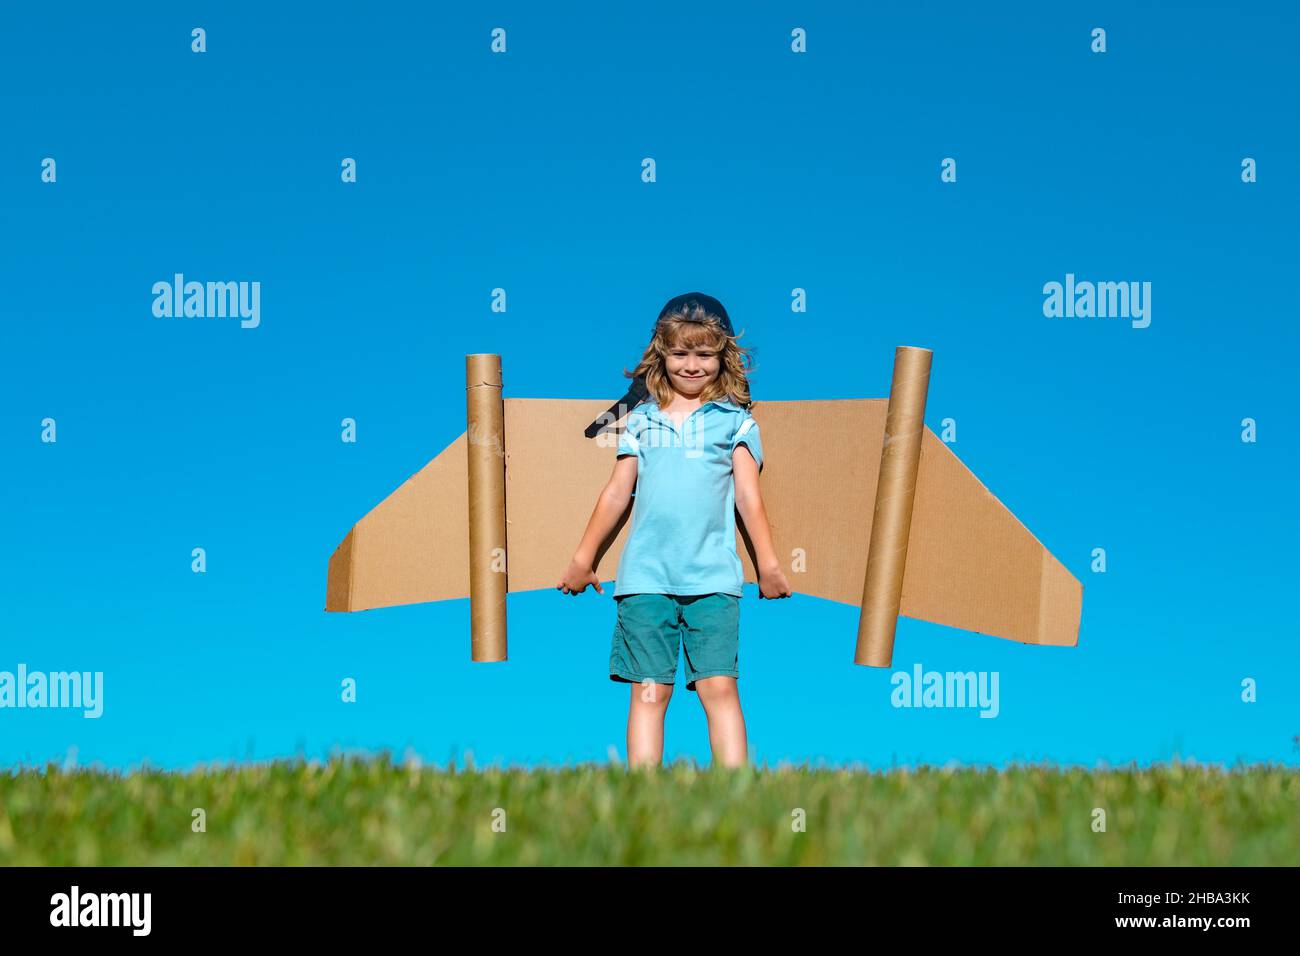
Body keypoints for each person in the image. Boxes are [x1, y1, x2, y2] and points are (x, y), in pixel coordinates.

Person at [556, 292, 792, 770]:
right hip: (645, 581)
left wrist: (768, 566)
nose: (691, 364)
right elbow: (617, 493)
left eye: (704, 354)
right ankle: (644, 793)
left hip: (714, 582)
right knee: (649, 692)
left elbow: (748, 497)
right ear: (660, 355)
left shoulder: (736, 423)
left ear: (723, 359)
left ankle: (735, 788)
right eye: (680, 353)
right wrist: (584, 558)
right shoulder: (640, 422)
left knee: (719, 686)